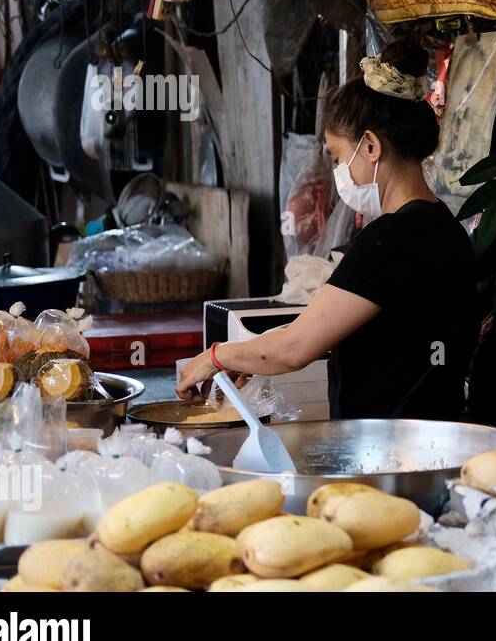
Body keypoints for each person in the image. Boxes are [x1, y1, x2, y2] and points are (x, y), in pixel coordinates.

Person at [175, 44, 479, 420]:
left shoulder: (390, 238)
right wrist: (250, 357)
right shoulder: (445, 227)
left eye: (336, 157)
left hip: (386, 452)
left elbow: (294, 349)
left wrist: (215, 356)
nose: (338, 173)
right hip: (435, 437)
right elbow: (318, 328)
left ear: (370, 146)